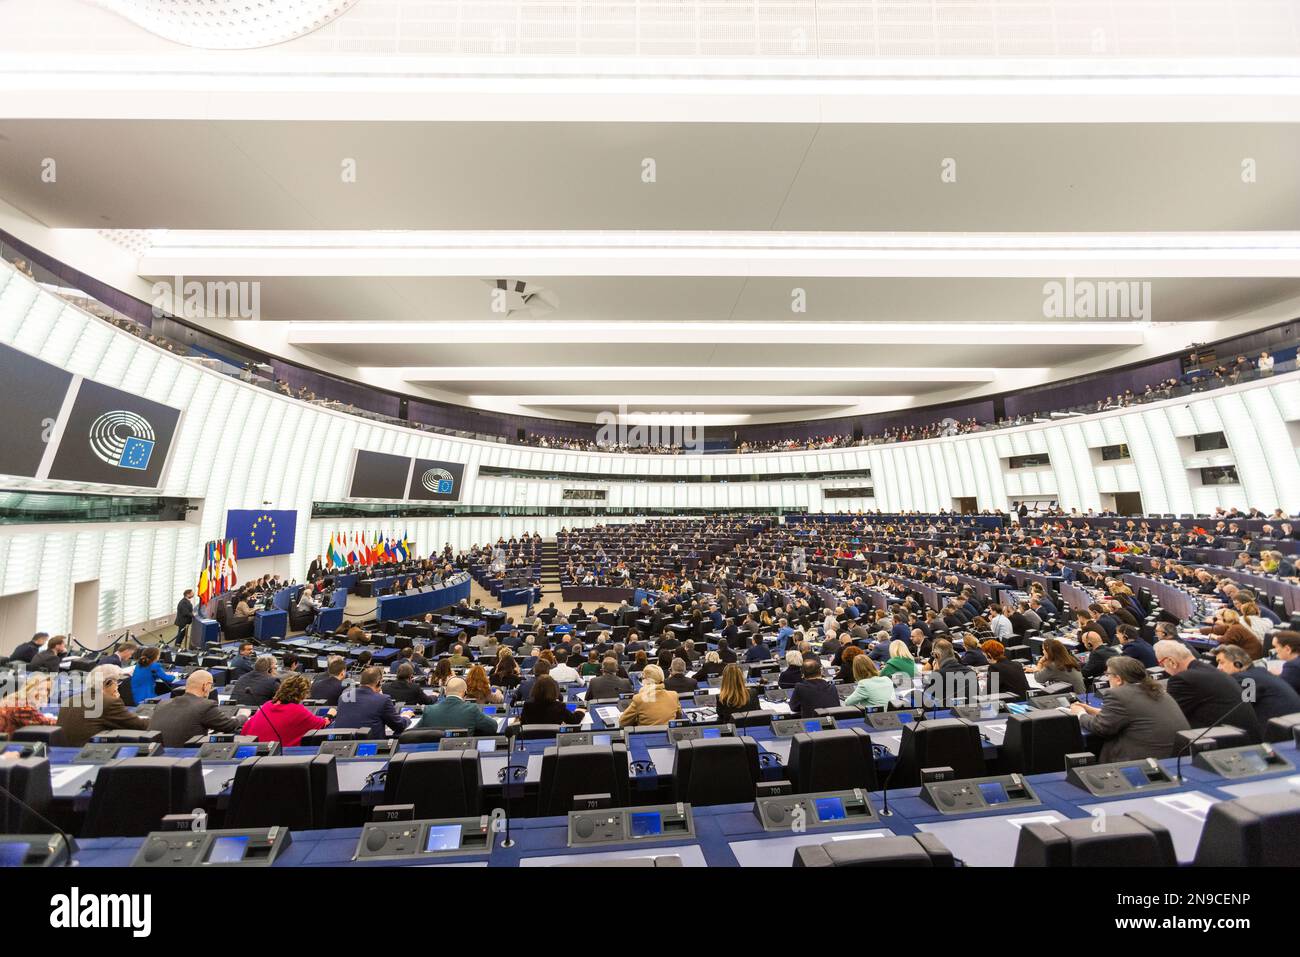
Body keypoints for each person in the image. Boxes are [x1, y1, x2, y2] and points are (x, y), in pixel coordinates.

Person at [1069, 657, 1191, 762]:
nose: (1107, 678)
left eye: (1108, 675)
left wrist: (1080, 714)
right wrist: (1091, 710)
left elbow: (1100, 728)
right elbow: (1132, 715)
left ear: (1118, 679)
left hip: (1139, 761)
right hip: (1174, 756)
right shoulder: (1158, 690)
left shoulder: (1118, 694)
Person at [1153, 639, 1263, 743]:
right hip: (1246, 737)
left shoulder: (1183, 679)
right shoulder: (1208, 670)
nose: (1164, 669)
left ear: (1171, 661)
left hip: (1228, 743)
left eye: (1161, 664)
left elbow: (1169, 716)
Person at [57, 664, 149, 747]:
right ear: (108, 683)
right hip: (91, 755)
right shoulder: (108, 702)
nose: (118, 686)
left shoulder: (70, 700)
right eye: (117, 682)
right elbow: (140, 725)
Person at [147, 670, 245, 747]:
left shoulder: (162, 704)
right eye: (211, 685)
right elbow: (228, 726)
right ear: (205, 686)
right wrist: (243, 716)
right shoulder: (205, 705)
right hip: (183, 759)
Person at [1215, 644, 1300, 725]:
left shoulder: (1244, 679)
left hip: (1280, 732)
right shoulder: (1259, 673)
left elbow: (1232, 711)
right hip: (1291, 727)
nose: (1218, 668)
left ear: (1238, 664)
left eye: (1221, 663)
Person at [240, 674, 332, 747]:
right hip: (278, 755)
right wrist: (331, 714)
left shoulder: (267, 705)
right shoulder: (297, 710)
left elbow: (245, 729)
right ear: (303, 694)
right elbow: (323, 724)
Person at [333, 666, 412, 738]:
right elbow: (399, 726)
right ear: (378, 682)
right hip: (371, 747)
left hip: (342, 743)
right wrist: (406, 717)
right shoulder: (383, 700)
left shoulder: (343, 697)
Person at [416, 676, 497, 734]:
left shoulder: (429, 710)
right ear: (465, 693)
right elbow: (493, 727)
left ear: (445, 692)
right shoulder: (472, 710)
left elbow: (410, 734)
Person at [618, 664, 682, 727]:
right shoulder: (673, 695)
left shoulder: (638, 699)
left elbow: (622, 722)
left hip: (645, 736)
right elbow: (679, 717)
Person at [518, 674, 586, 726]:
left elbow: (523, 724)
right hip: (554, 738)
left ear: (535, 689)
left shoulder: (527, 705)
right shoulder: (559, 706)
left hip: (531, 740)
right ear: (554, 690)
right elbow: (574, 720)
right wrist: (580, 712)